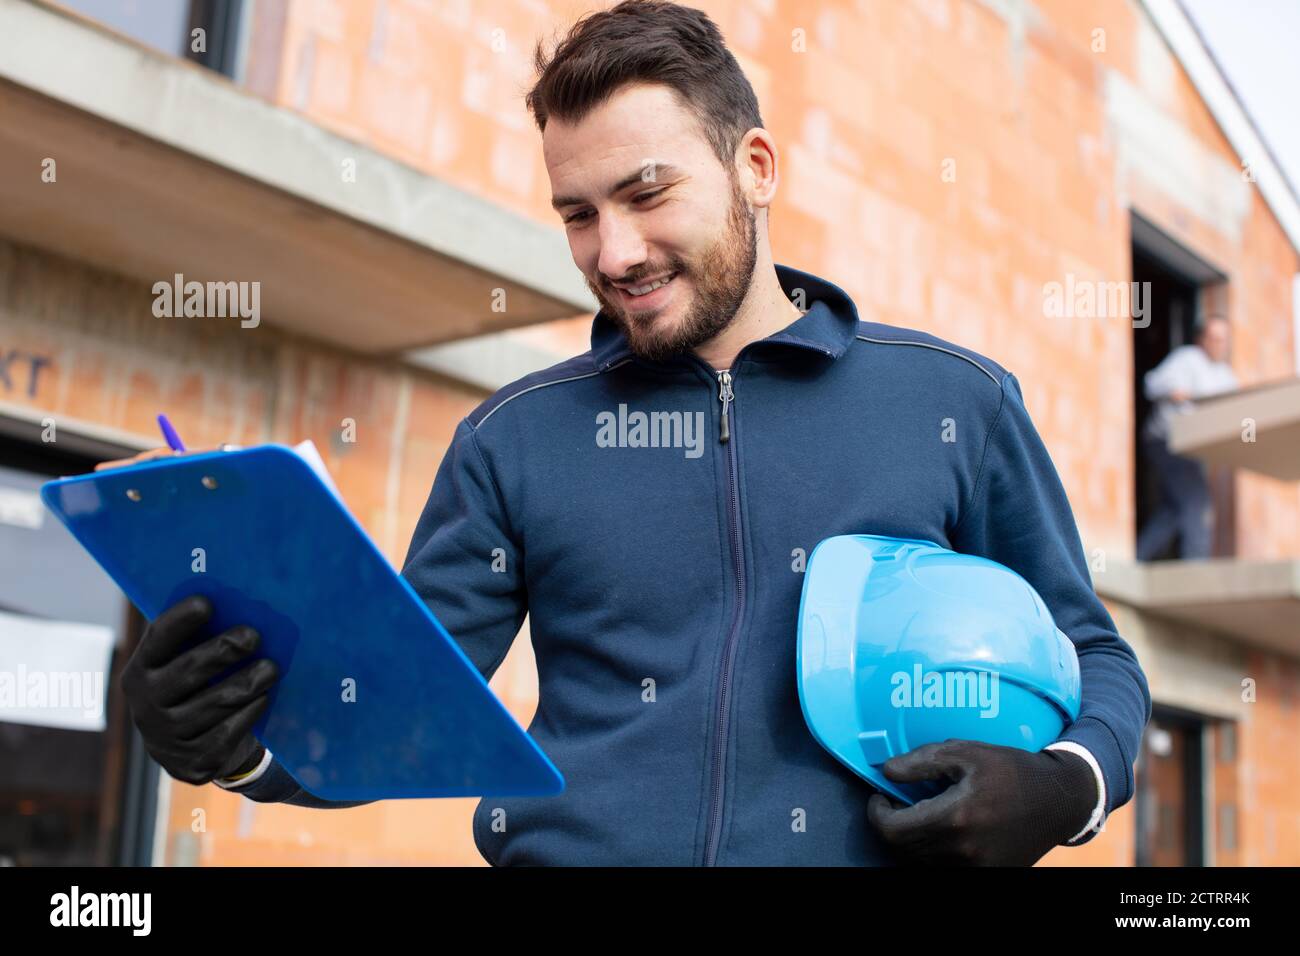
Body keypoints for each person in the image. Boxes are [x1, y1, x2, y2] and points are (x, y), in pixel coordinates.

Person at [110, 0, 1150, 866]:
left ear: (755, 166)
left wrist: (1067, 784)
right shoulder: (510, 441)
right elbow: (390, 717)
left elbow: (1095, 653)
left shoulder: (952, 402)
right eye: (578, 213)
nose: (614, 251)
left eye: (647, 193)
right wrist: (229, 743)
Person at [1136, 315, 1239, 560]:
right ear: (1203, 339)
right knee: (1197, 503)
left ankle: (1138, 559)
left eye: (1222, 340)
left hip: (1192, 450)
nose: (1218, 344)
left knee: (1173, 509)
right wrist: (1173, 392)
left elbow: (1236, 409)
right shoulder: (1186, 359)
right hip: (1165, 442)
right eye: (1213, 338)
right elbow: (1151, 383)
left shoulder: (1225, 376)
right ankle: (1196, 573)